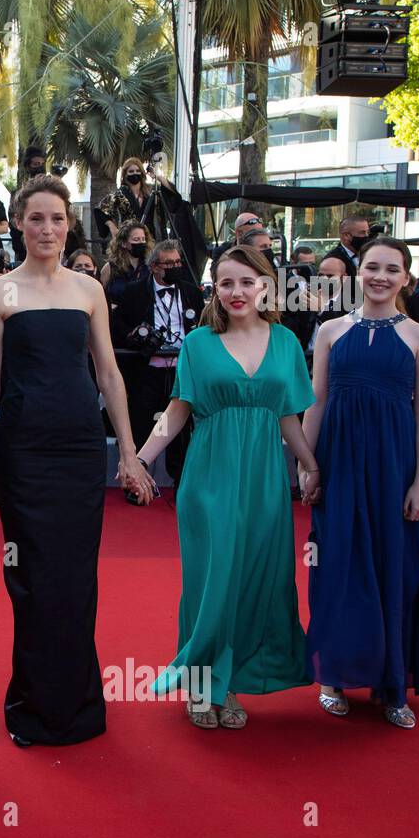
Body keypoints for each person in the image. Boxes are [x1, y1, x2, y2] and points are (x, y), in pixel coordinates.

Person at [0, 175, 153, 747]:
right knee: (30, 577)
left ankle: (78, 704)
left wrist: (128, 452)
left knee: (76, 577)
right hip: (25, 450)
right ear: (18, 224)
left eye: (56, 219)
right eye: (35, 219)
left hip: (79, 447)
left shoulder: (89, 291)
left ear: (68, 224)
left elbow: (108, 374)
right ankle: (32, 706)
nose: (47, 229)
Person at [135, 245, 318, 728]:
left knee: (256, 582)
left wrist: (310, 466)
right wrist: (139, 460)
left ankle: (229, 683)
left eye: (246, 282)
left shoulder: (285, 342)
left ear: (265, 285)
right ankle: (201, 684)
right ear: (214, 289)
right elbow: (176, 414)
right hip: (209, 479)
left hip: (266, 484)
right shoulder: (197, 343)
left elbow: (290, 418)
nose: (236, 292)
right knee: (211, 582)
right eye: (225, 283)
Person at [301, 237, 419, 729]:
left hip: (394, 468)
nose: (381, 277)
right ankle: (334, 676)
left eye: (392, 269)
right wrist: (307, 464)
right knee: (338, 563)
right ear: (360, 272)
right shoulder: (331, 331)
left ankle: (392, 684)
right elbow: (316, 401)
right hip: (340, 466)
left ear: (406, 276)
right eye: (373, 267)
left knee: (396, 567)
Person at [113, 239, 205, 493]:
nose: (175, 267)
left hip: (181, 372)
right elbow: (117, 326)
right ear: (154, 267)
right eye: (169, 264)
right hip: (147, 372)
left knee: (182, 431)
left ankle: (181, 485)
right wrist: (136, 335)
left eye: (178, 262)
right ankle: (138, 485)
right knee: (144, 427)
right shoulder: (134, 292)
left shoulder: (191, 292)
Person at [95, 157, 153, 244]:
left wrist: (157, 176)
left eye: (138, 171)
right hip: (128, 238)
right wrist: (112, 226)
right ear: (125, 174)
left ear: (142, 172)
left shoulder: (150, 192)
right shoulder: (120, 194)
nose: (135, 173)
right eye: (131, 171)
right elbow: (100, 210)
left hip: (148, 238)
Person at [99, 220, 152, 314]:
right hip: (117, 319)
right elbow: (98, 295)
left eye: (143, 239)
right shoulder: (110, 268)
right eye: (136, 239)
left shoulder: (149, 267)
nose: (141, 243)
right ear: (124, 243)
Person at [6, 147, 47, 261]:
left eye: (42, 164)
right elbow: (13, 220)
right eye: (36, 164)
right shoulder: (18, 193)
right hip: (25, 247)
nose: (40, 167)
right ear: (28, 167)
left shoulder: (51, 192)